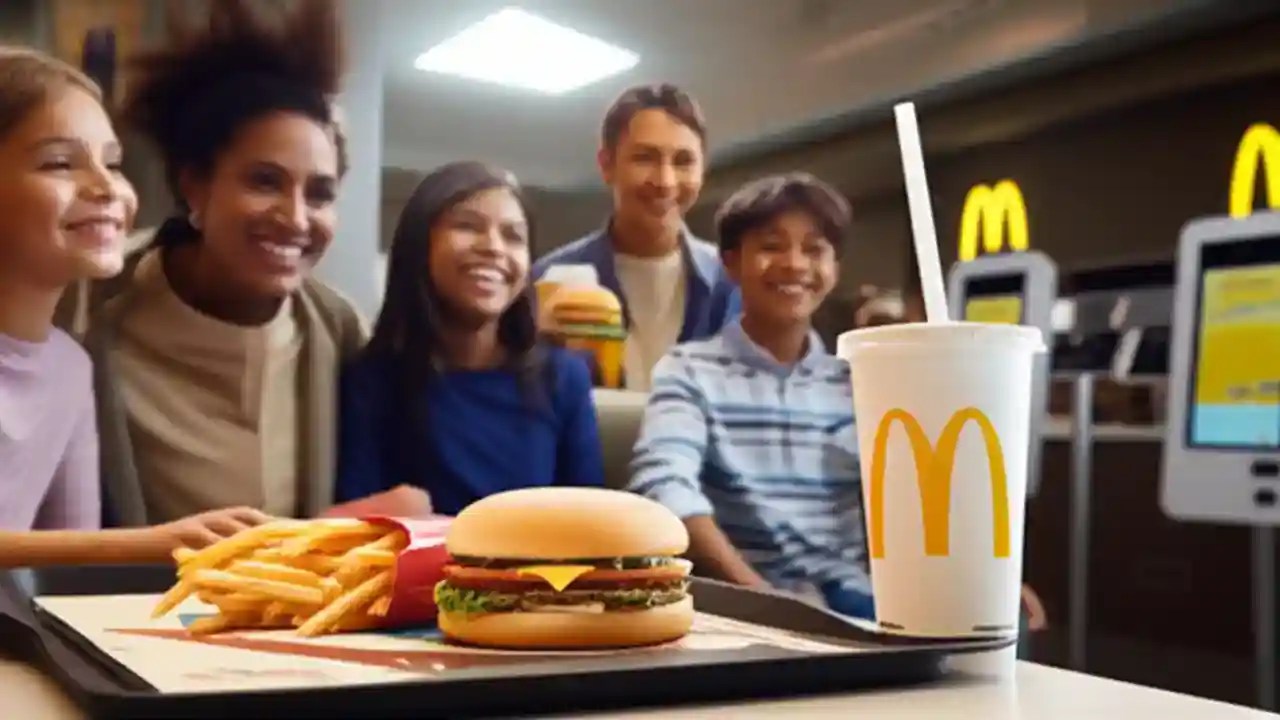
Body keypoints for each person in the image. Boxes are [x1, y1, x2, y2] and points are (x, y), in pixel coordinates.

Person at [85, 0, 367, 527]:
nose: (296, 217)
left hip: (289, 605)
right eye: (265, 181)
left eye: (321, 194)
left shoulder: (338, 330)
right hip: (125, 606)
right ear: (194, 184)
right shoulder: (92, 307)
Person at [0, 46, 270, 566]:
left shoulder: (72, 371)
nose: (106, 188)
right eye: (60, 163)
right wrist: (147, 543)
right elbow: (91, 548)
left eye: (114, 163)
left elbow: (68, 558)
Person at [628, 172, 874, 619]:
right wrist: (761, 597)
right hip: (742, 599)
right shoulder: (689, 370)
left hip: (853, 597)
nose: (795, 264)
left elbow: (908, 501)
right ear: (731, 262)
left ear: (834, 269)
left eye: (814, 249)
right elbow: (664, 486)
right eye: (772, 245)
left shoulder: (857, 382)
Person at [336, 162, 605, 516]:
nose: (494, 247)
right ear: (420, 245)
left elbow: (592, 524)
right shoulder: (372, 379)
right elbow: (350, 533)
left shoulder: (563, 378)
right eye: (467, 226)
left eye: (513, 236)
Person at [532, 83, 739, 390]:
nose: (665, 181)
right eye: (645, 158)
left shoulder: (732, 283)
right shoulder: (547, 282)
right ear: (606, 165)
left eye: (683, 161)